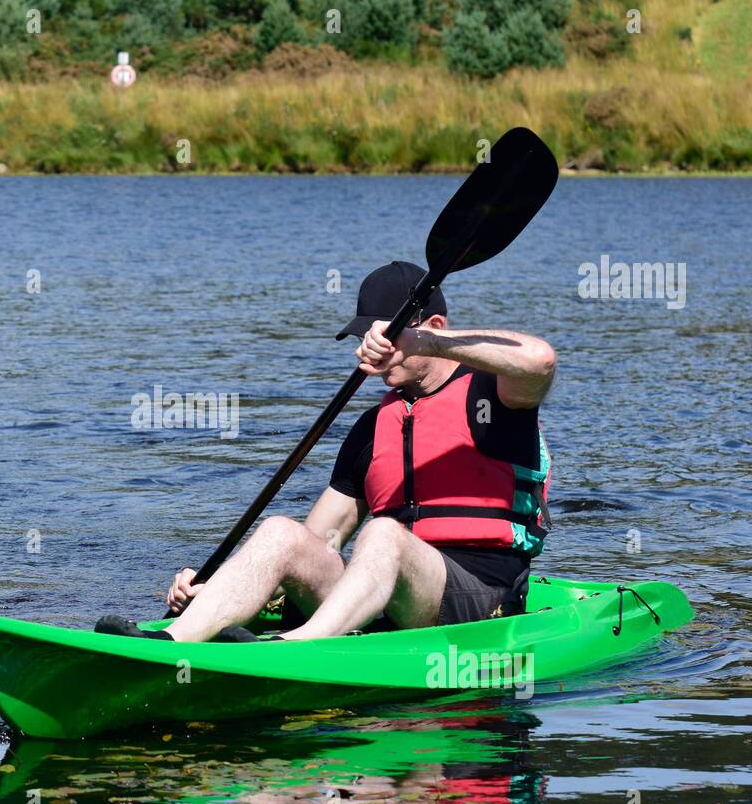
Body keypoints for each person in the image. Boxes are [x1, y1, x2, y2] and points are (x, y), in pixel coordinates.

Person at [103, 261, 555, 643]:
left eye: (386, 339)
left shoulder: (496, 397)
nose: (369, 354)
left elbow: (540, 360)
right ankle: (173, 640)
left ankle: (294, 650)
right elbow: (319, 542)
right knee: (282, 533)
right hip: (393, 599)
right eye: (366, 339)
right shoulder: (374, 427)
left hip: (481, 599)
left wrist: (426, 342)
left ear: (431, 328)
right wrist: (213, 589)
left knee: (382, 534)